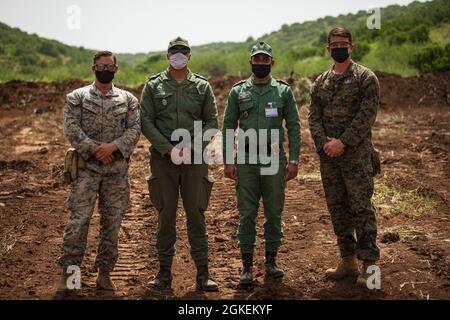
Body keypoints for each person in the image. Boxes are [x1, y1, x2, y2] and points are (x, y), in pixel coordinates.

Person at [140, 37, 219, 291]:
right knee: (166, 215)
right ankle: (163, 274)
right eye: (174, 51)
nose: (178, 55)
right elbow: (146, 121)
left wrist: (192, 149)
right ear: (167, 55)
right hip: (164, 159)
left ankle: (203, 274)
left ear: (190, 56)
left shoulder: (202, 86)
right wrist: (169, 149)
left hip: (195, 160)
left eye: (183, 51)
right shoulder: (153, 86)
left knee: (196, 214)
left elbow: (211, 122)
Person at [59, 51, 141, 291]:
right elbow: (71, 128)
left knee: (112, 224)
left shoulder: (128, 100)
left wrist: (113, 147)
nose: (105, 69)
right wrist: (95, 150)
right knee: (78, 222)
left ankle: (104, 274)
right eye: (101, 65)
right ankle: (70, 276)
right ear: (93, 68)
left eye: (110, 65)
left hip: (116, 172)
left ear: (116, 69)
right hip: (86, 170)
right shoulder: (77, 97)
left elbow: (135, 129)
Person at [222, 42, 301, 285]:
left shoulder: (283, 92)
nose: (261, 64)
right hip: (245, 159)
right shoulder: (238, 91)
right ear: (251, 63)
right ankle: (246, 266)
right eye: (257, 60)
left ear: (272, 63)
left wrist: (295, 159)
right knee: (247, 213)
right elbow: (228, 125)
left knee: (274, 211)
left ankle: (271, 261)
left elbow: (294, 126)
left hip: (273, 158)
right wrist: (227, 160)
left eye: (265, 60)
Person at [308, 27, 381, 288]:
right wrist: (325, 143)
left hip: (357, 158)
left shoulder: (365, 77)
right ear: (328, 49)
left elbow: (367, 115)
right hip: (329, 159)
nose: (339, 47)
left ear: (351, 47)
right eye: (334, 44)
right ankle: (347, 260)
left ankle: (370, 268)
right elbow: (313, 116)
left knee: (361, 209)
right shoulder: (321, 82)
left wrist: (343, 142)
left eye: (343, 43)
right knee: (338, 209)